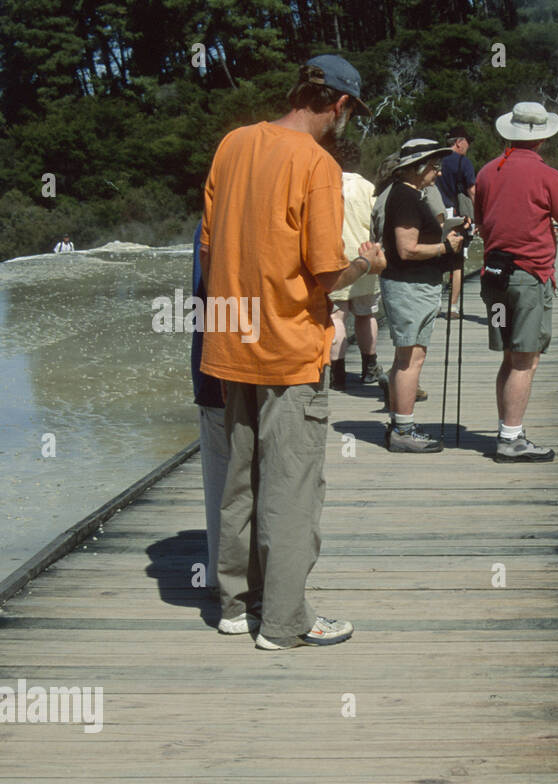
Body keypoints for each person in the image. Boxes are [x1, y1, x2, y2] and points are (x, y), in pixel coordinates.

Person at [200, 53, 385, 650]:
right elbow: (326, 272)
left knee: (240, 480)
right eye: (348, 112)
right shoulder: (317, 163)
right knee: (292, 487)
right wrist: (368, 262)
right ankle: (284, 622)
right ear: (340, 104)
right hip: (289, 349)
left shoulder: (232, 144)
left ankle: (234, 605)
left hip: (231, 344)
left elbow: (207, 247)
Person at [475, 102, 558, 463]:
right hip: (529, 278)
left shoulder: (486, 172)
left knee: (510, 357)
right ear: (542, 137)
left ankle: (507, 429)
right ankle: (511, 440)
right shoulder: (549, 177)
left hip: (493, 280)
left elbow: (484, 224)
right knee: (526, 360)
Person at [377, 137, 465, 452]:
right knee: (410, 359)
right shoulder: (405, 198)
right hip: (409, 286)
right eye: (435, 166)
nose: (439, 173)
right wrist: (445, 247)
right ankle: (403, 429)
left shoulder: (411, 194)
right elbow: (406, 249)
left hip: (416, 285)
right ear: (418, 168)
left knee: (411, 357)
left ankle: (401, 423)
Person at [190, 221, 226, 598]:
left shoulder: (209, 220)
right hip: (230, 372)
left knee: (220, 482)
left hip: (210, 369)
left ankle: (220, 577)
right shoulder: (224, 223)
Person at [326, 140, 380, 390]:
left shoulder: (327, 185)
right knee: (366, 313)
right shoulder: (369, 188)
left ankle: (337, 373)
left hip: (334, 256)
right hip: (366, 255)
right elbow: (378, 224)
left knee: (337, 315)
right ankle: (370, 367)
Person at [433, 126, 477, 317]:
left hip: (433, 212)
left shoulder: (435, 160)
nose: (468, 146)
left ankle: (434, 303)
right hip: (454, 214)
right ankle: (452, 306)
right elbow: (472, 191)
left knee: (434, 257)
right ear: (459, 142)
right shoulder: (462, 162)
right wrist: (480, 217)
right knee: (456, 261)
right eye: (467, 142)